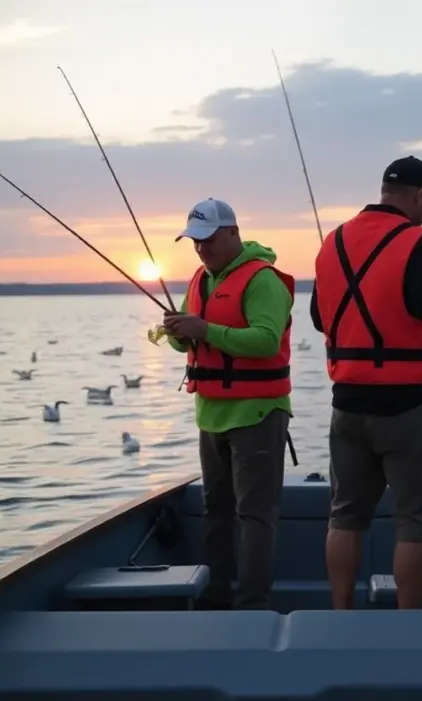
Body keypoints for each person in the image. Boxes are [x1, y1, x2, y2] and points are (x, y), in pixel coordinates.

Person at [310, 156, 422, 610]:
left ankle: (340, 612)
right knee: (415, 520)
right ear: (419, 196)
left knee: (346, 516)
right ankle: (408, 623)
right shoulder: (420, 241)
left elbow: (319, 317)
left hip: (347, 406)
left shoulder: (332, 242)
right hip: (407, 406)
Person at [162, 197, 294, 610]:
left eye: (209, 239)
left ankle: (253, 604)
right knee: (215, 511)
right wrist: (178, 333)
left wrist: (205, 328)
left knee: (254, 515)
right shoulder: (200, 279)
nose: (201, 248)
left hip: (257, 413)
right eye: (195, 241)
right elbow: (188, 336)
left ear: (234, 233)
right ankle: (215, 596)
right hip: (211, 413)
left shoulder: (263, 280)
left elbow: (266, 340)